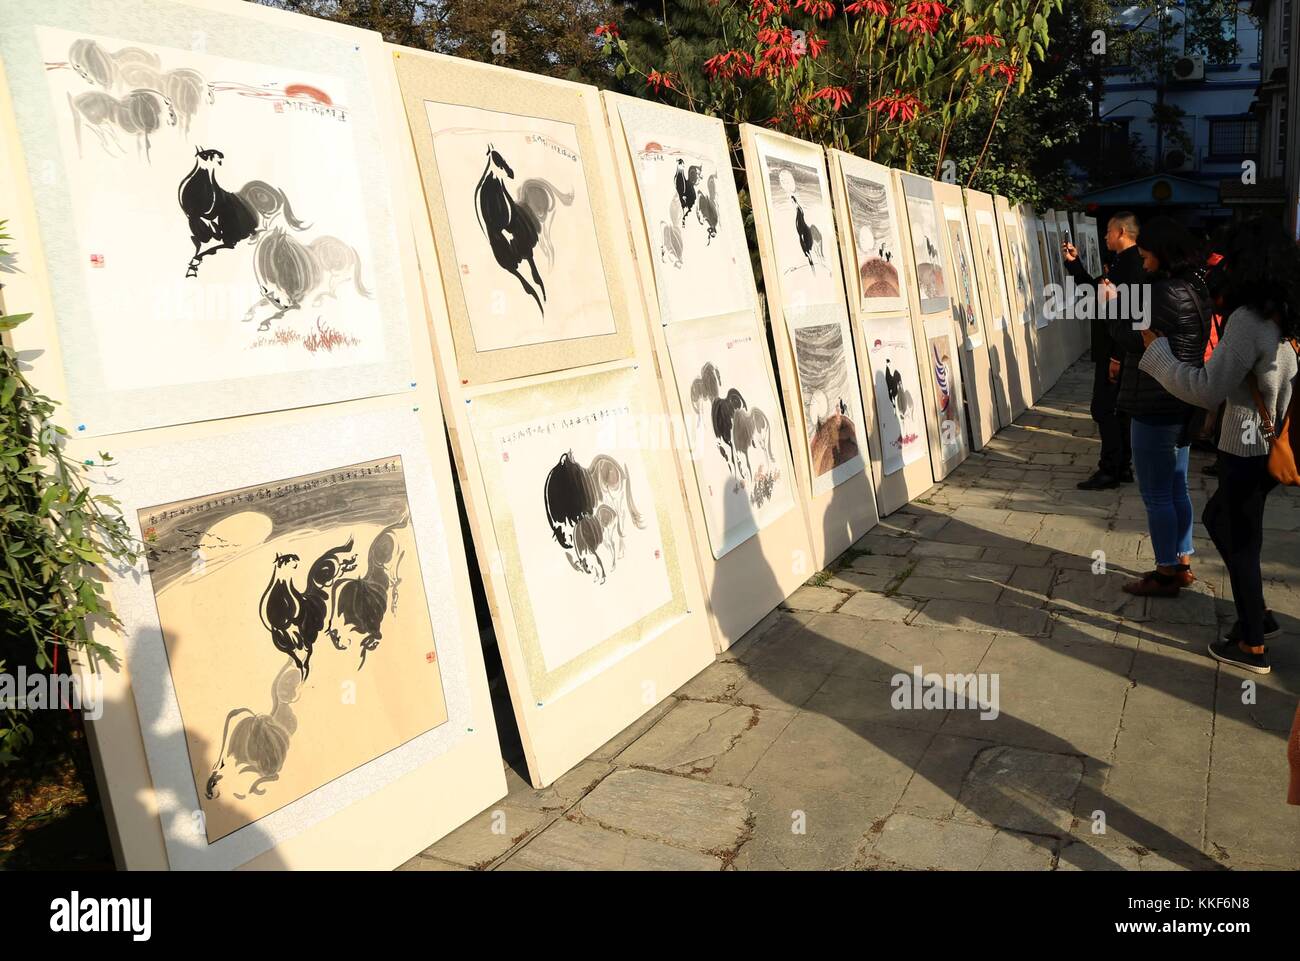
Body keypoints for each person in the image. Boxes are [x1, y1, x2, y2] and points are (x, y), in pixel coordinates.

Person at [1137, 216, 1299, 673]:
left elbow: (1207, 388)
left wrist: (1159, 355)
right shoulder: (1284, 313)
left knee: (1241, 538)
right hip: (1270, 442)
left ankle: (1252, 643)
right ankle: (1259, 616)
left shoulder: (1248, 320)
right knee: (1225, 520)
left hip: (1248, 446)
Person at [1107, 216, 1210, 598]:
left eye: (1147, 253)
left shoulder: (1161, 292)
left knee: (1157, 493)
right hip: (1181, 396)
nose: (1143, 259)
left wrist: (1113, 305)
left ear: (1162, 253)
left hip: (1155, 399)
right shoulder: (1194, 287)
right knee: (1177, 486)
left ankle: (1165, 571)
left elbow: (1130, 337)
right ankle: (1182, 561)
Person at [1063, 212, 1145, 489]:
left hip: (1117, 351)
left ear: (1121, 231)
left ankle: (1110, 468)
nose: (1106, 236)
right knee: (1117, 412)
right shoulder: (1123, 263)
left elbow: (1130, 316)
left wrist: (1117, 357)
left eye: (1109, 231)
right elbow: (1096, 292)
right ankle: (1121, 466)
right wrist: (1075, 266)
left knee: (1104, 409)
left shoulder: (1133, 266)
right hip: (1112, 349)